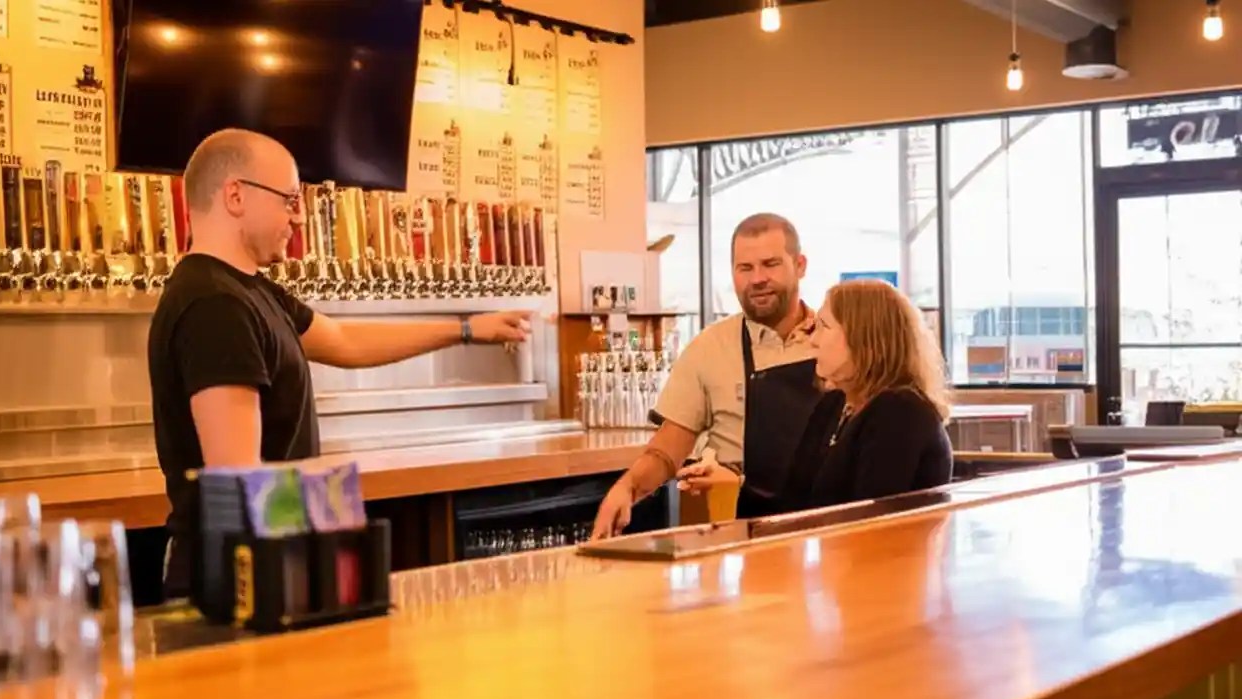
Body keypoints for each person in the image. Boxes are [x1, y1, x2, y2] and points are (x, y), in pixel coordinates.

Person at [148, 128, 531, 597]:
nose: (300, 216)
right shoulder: (214, 304)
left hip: (261, 564)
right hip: (238, 583)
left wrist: (467, 329)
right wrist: (331, 517)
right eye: (290, 200)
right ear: (235, 195)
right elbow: (239, 479)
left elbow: (345, 340)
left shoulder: (250, 292)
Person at [590, 213, 832, 539]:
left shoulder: (834, 342)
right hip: (740, 535)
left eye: (770, 264)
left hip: (828, 529)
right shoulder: (709, 348)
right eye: (744, 268)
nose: (757, 279)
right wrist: (628, 487)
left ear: (800, 265)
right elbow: (667, 450)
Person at [679, 278, 953, 509]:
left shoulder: (900, 412)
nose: (813, 340)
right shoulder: (834, 403)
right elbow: (793, 503)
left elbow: (868, 520)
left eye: (824, 327)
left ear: (863, 338)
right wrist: (732, 481)